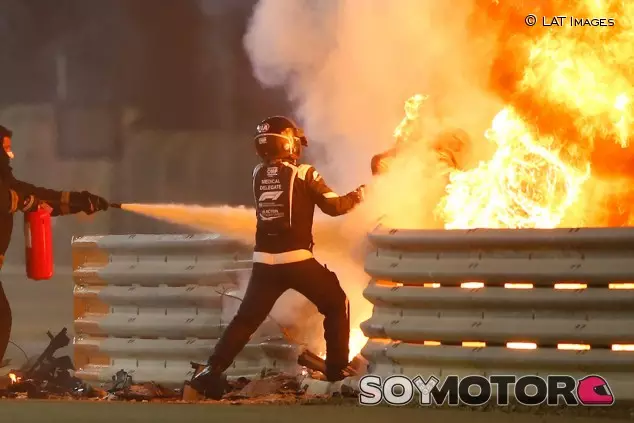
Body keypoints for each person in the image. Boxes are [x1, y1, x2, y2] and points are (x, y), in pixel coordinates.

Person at [191, 116, 365, 399]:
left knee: (245, 320)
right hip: (296, 260)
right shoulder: (305, 173)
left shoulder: (257, 174)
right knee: (336, 303)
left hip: (263, 263)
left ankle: (210, 371)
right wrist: (361, 194)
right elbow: (335, 207)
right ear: (288, 143)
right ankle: (337, 370)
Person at [0, 125, 110, 367]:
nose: (10, 155)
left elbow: (36, 197)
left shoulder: (5, 183)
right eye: (5, 149)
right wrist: (23, 202)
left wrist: (79, 201)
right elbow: (13, 198)